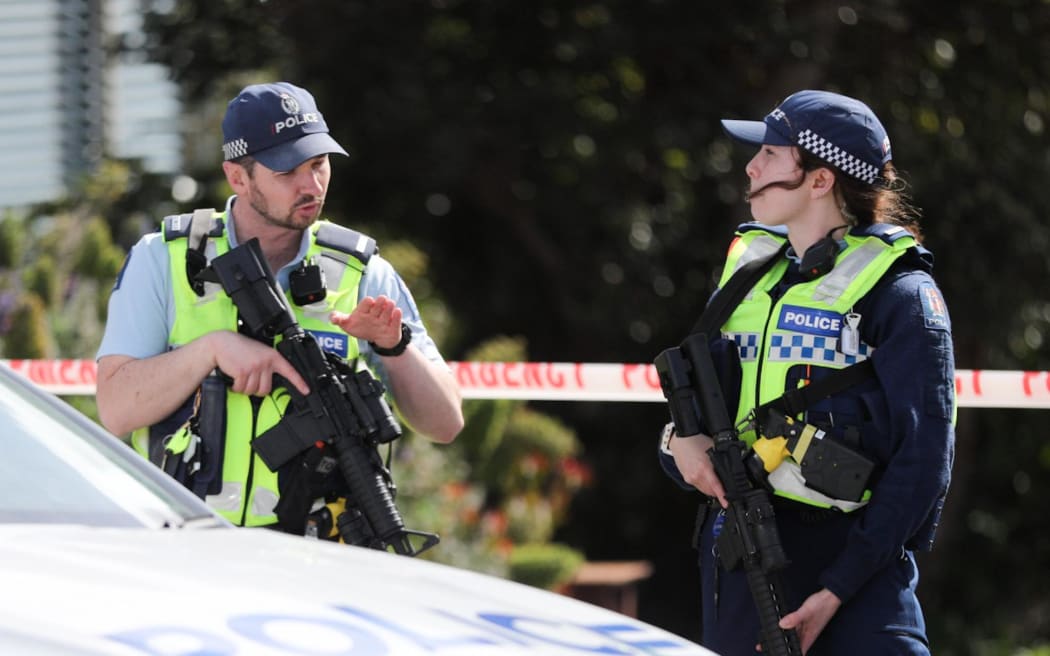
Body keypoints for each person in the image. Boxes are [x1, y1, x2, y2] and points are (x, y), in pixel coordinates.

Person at [656, 90, 955, 655]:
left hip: (855, 576)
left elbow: (924, 464)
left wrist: (838, 590)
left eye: (771, 153)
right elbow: (696, 414)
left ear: (820, 180)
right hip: (741, 563)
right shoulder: (747, 273)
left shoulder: (902, 292)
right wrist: (679, 445)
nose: (751, 166)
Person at [96, 81, 464, 532]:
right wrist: (210, 350)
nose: (311, 185)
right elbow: (115, 410)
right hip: (182, 551)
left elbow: (446, 424)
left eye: (319, 164)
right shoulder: (163, 259)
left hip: (312, 558)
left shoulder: (363, 272)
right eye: (287, 171)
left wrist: (394, 346)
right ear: (237, 176)